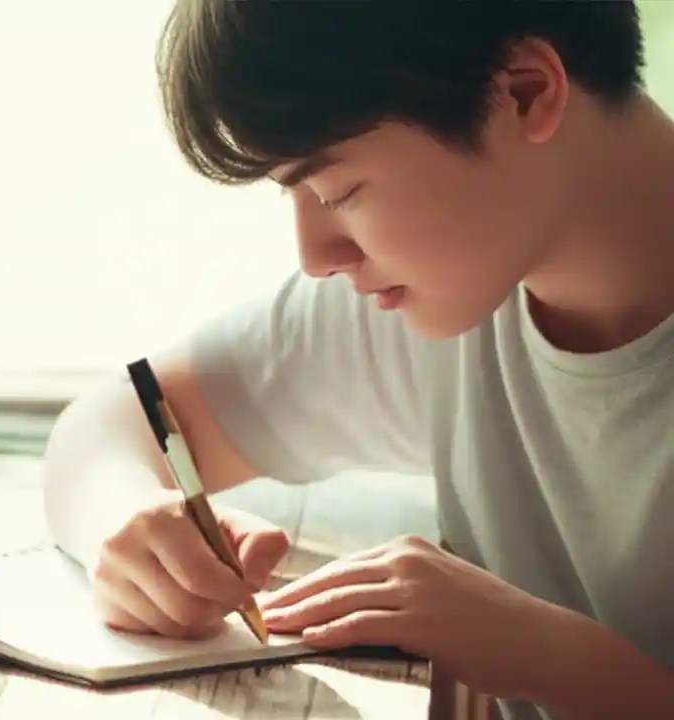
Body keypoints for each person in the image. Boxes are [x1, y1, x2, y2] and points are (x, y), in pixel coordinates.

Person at [41, 2, 673, 718]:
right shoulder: (456, 290)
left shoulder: (457, 270)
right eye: (298, 194)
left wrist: (549, 655)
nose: (316, 257)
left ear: (523, 92)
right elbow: (116, 419)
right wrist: (128, 521)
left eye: (338, 191)